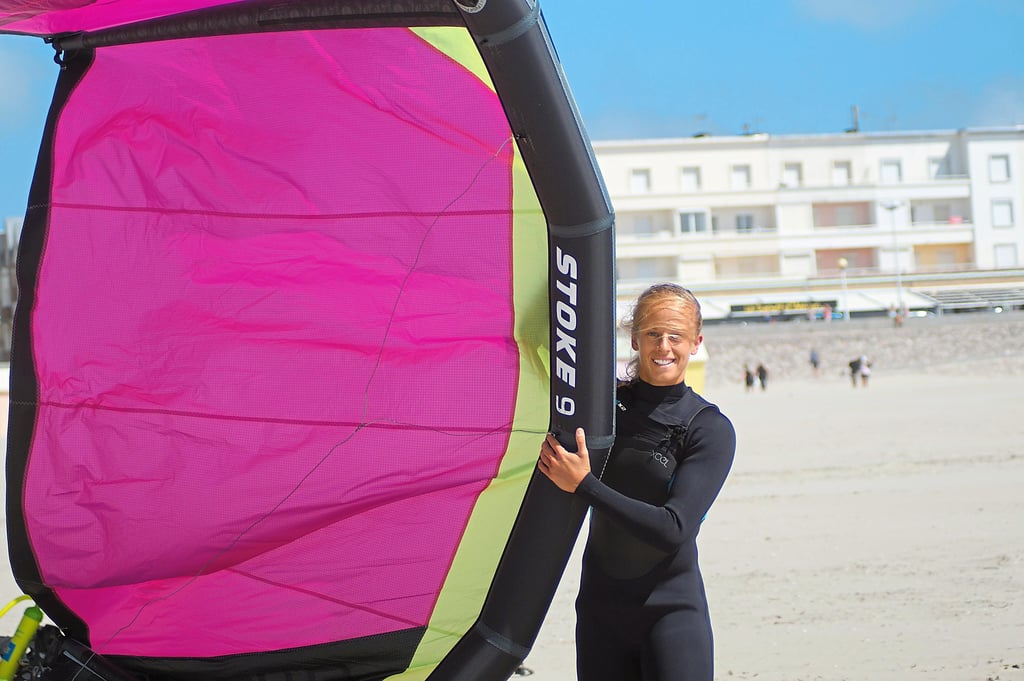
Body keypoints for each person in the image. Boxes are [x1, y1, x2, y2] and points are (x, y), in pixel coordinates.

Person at [537, 283, 736, 681]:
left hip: (671, 613)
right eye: (653, 333)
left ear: (695, 343)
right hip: (599, 614)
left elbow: (673, 528)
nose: (664, 347)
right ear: (634, 339)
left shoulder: (708, 428)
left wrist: (585, 486)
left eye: (676, 336)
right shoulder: (601, 410)